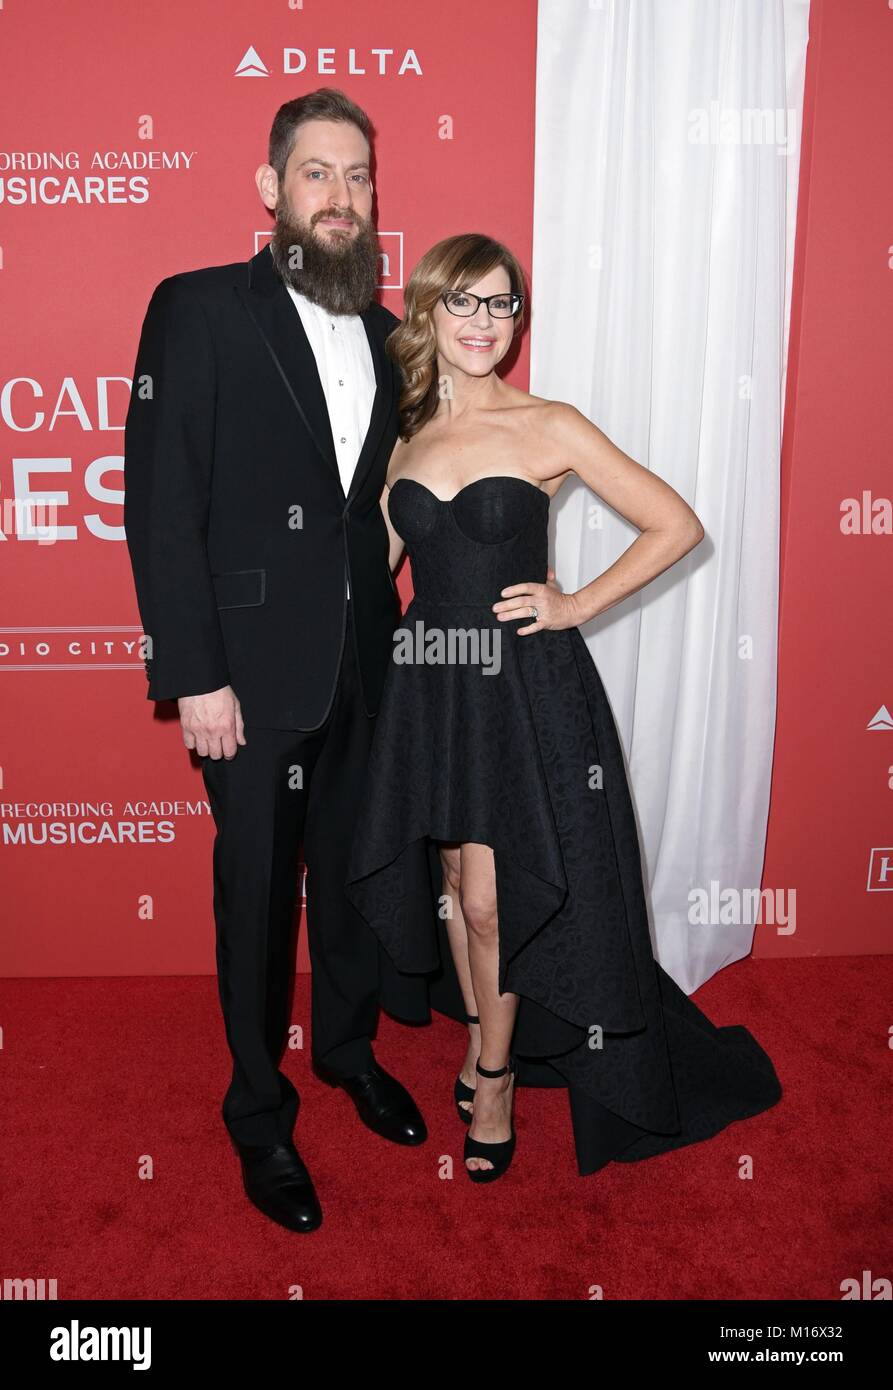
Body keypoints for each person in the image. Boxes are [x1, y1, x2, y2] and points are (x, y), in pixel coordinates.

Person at [345, 233, 783, 1182]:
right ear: (426, 310)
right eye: (462, 302)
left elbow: (676, 523)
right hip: (434, 678)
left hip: (523, 687)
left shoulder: (549, 423)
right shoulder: (407, 434)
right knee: (461, 891)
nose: (482, 323)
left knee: (497, 900)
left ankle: (495, 1078)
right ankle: (475, 1036)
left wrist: (576, 602)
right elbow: (376, 573)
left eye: (501, 305)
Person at [123, 88, 430, 1233]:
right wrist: (194, 673)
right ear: (270, 190)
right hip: (245, 678)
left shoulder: (392, 333)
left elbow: (381, 507)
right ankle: (260, 1112)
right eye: (317, 174)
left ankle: (346, 1053)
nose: (341, 197)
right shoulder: (198, 311)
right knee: (256, 898)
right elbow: (163, 507)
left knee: (352, 878)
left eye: (358, 177)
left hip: (366, 660)